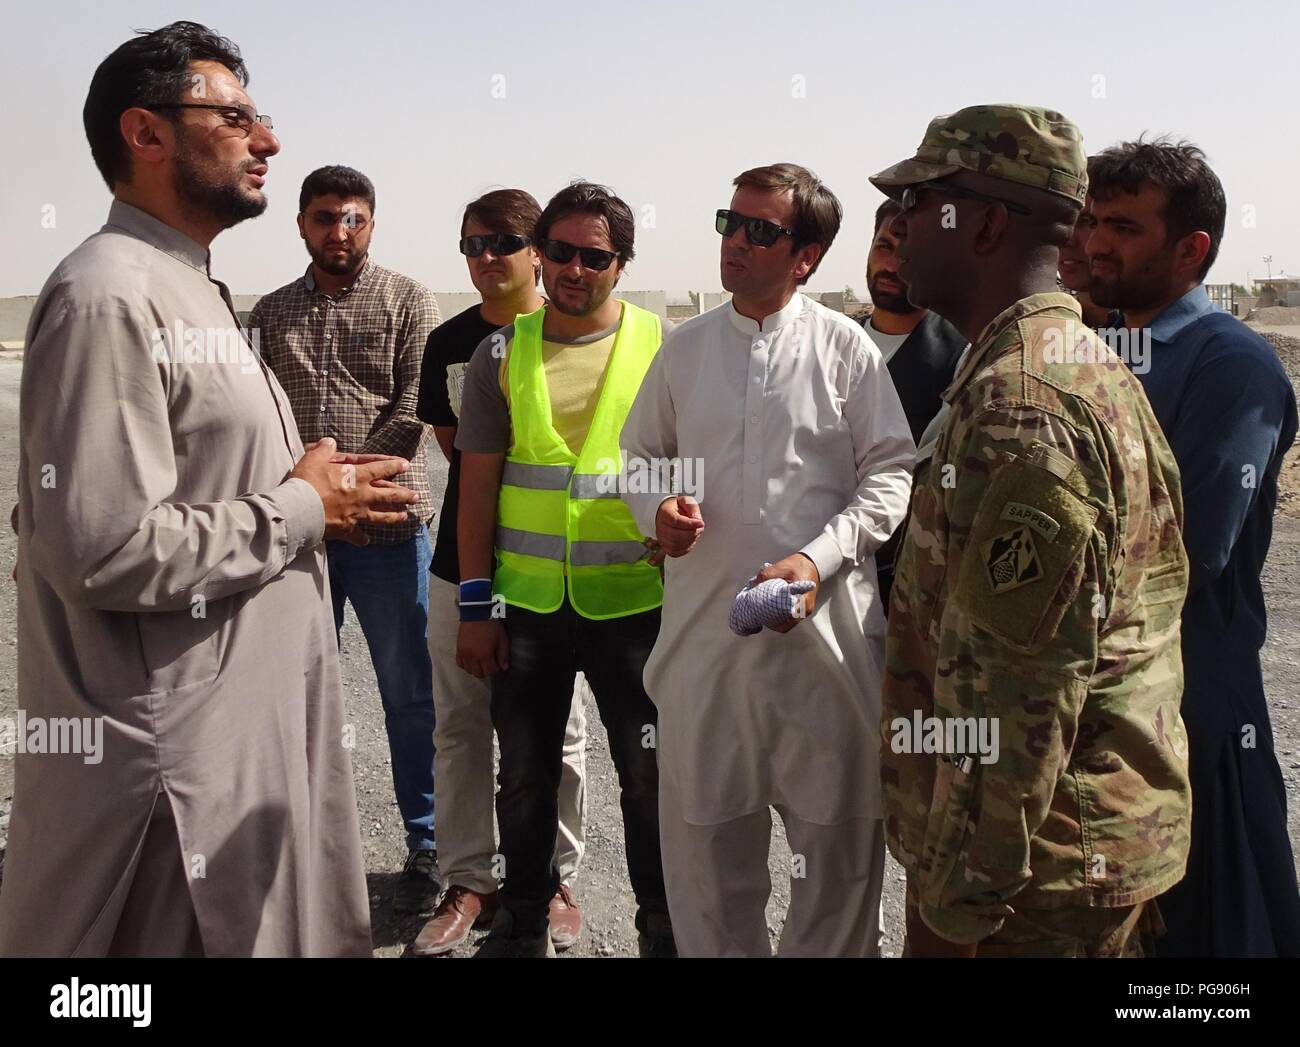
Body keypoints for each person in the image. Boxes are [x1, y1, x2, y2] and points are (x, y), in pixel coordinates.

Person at [0, 21, 415, 957]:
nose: (266, 140)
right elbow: (98, 546)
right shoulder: (109, 294)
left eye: (258, 116)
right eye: (234, 117)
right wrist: (304, 508)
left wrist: (321, 486)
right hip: (170, 788)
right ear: (145, 134)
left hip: (232, 754)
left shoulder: (188, 286)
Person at [872, 105, 1192, 957]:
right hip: (1055, 859)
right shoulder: (1064, 365)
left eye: (920, 199)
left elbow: (1013, 707)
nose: (898, 223)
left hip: (1030, 890)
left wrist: (954, 914)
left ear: (982, 224)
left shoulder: (1024, 406)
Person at [621, 164, 915, 956]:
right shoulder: (683, 350)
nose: (737, 242)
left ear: (805, 256)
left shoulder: (846, 350)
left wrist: (817, 560)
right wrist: (659, 507)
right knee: (709, 867)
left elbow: (891, 476)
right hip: (705, 652)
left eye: (761, 230)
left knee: (839, 862)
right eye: (731, 222)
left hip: (827, 654)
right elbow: (640, 455)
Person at [1088, 138, 1300, 957]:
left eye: (1124, 226)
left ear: (1192, 248)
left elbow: (1192, 548)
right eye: (1094, 221)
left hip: (1196, 707)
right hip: (1106, 706)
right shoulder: (1094, 345)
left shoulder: (1232, 362)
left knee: (1210, 943)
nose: (1099, 241)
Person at [454, 182, 675, 958]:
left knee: (649, 780)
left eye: (594, 256)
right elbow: (476, 485)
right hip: (530, 607)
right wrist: (475, 605)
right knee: (524, 776)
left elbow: (698, 462)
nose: (573, 269)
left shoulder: (665, 343)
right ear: (540, 255)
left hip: (636, 610)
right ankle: (522, 916)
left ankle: (663, 925)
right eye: (559, 252)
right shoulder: (500, 352)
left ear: (622, 264)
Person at [249, 165, 441, 915]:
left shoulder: (407, 300)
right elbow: (260, 417)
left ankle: (427, 841)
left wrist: (348, 486)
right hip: (302, 535)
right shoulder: (268, 313)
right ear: (300, 224)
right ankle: (301, 837)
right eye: (325, 217)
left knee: (409, 693)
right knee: (297, 690)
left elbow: (414, 404)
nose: (340, 231)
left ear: (373, 224)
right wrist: (309, 499)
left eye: (354, 217)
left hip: (391, 527)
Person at [410, 189, 589, 955]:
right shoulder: (449, 343)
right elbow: (464, 459)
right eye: (472, 245)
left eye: (502, 243)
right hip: (463, 565)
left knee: (561, 732)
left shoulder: (571, 335)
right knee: (458, 724)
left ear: (537, 250)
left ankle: (552, 877)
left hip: (551, 571)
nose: (486, 258)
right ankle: (468, 879)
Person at [861, 196, 966, 612]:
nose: (892, 265)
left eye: (910, 253)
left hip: (915, 589)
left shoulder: (963, 357)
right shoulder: (828, 345)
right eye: (884, 247)